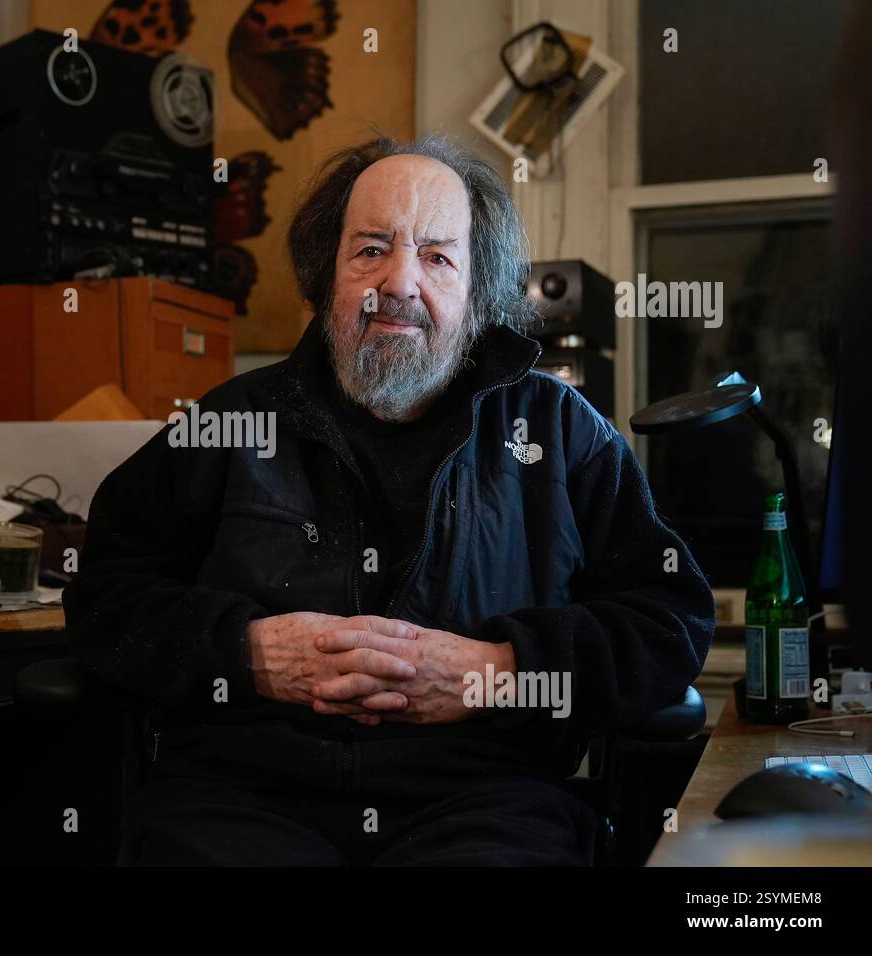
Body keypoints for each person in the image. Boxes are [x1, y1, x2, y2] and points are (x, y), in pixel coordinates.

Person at [62, 134, 715, 866]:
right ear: (326, 274)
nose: (399, 282)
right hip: (242, 798)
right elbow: (104, 599)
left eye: (437, 256)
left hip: (485, 803)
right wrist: (248, 655)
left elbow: (669, 623)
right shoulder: (229, 423)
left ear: (478, 293)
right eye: (370, 249)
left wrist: (497, 672)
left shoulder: (560, 431)